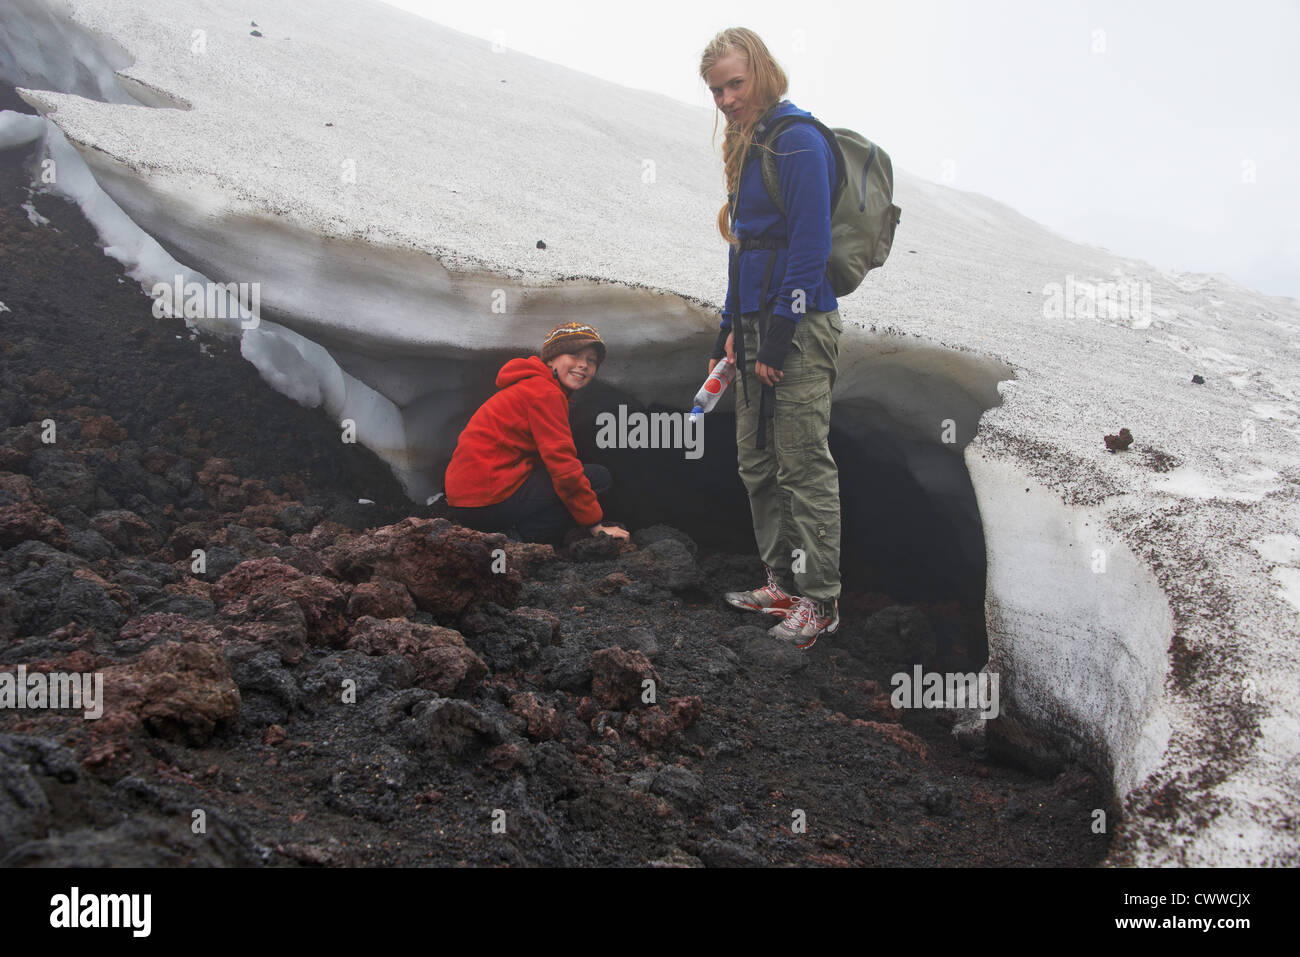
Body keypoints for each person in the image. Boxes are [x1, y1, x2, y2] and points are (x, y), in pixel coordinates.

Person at [700, 27, 844, 648]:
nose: (728, 98)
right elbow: (744, 250)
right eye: (716, 90)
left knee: (801, 464)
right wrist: (730, 329)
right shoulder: (747, 141)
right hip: (755, 322)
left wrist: (781, 333)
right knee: (757, 460)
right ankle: (781, 580)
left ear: (761, 70)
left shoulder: (799, 141)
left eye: (736, 82)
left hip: (798, 323)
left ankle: (820, 600)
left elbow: (811, 246)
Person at [444, 321, 629, 546]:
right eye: (574, 355)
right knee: (597, 478)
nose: (583, 365)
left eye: (591, 360)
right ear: (551, 359)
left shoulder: (534, 386)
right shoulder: (546, 394)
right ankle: (521, 539)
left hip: (468, 500)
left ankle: (512, 530)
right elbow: (562, 466)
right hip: (485, 501)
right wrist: (596, 525)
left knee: (576, 476)